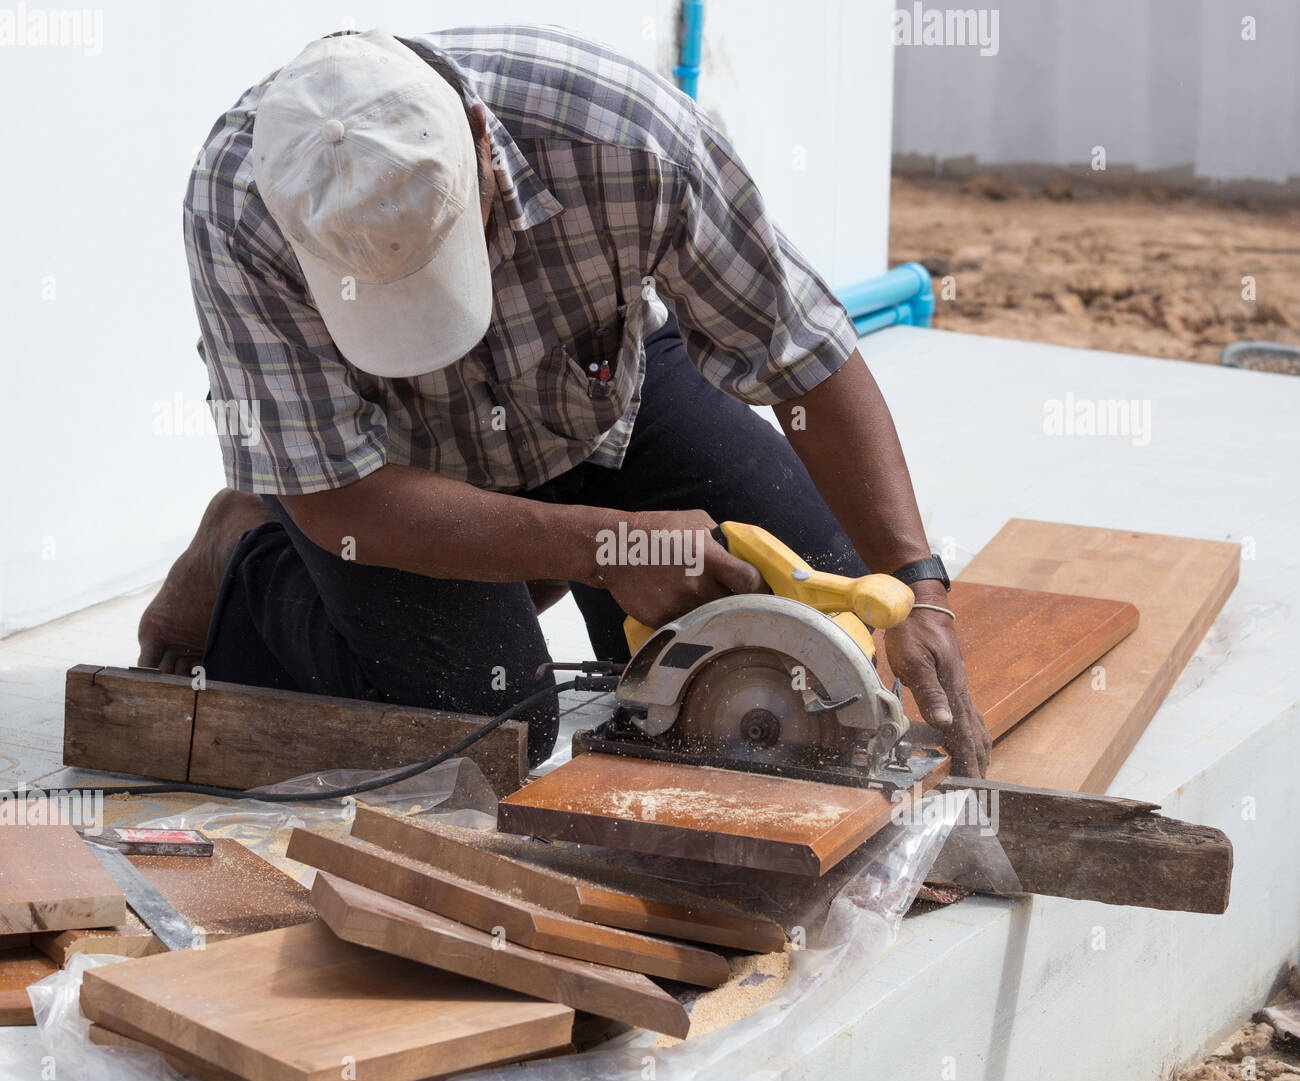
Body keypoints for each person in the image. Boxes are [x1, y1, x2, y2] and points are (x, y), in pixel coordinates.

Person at [139, 26, 991, 776]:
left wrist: (918, 586)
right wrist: (607, 547)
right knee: (486, 725)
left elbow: (798, 346)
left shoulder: (624, 136)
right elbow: (342, 494)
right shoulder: (236, 205)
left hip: (599, 394)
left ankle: (549, 569)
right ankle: (249, 552)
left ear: (478, 137)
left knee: (819, 615)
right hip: (396, 472)